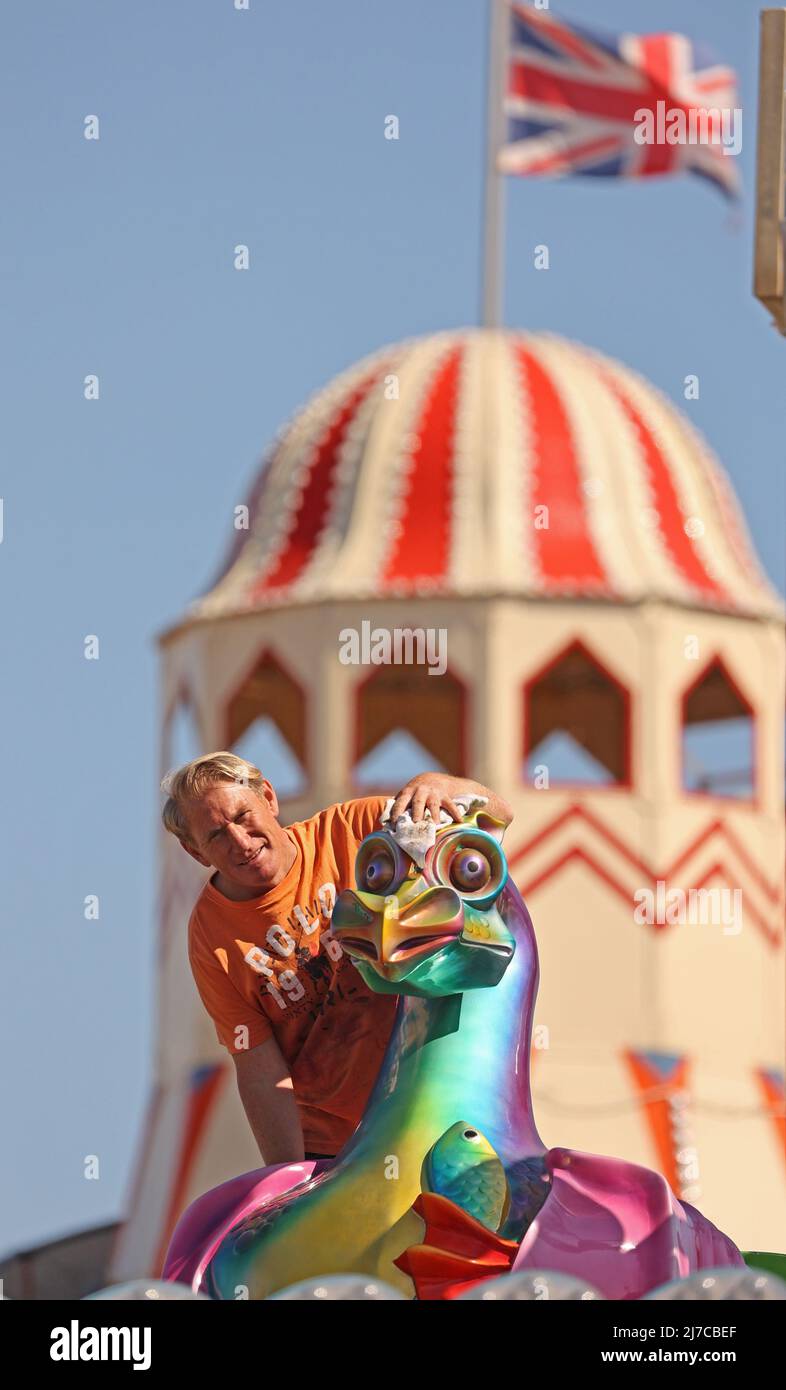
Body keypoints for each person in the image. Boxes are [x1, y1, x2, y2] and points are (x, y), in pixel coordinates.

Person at [161, 752, 513, 1165]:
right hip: (333, 1148)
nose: (240, 841)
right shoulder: (211, 936)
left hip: (433, 1106)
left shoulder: (357, 828)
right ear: (195, 852)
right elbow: (258, 1064)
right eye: (216, 835)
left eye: (242, 816)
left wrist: (442, 784)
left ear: (269, 798)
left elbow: (496, 816)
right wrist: (287, 1177)